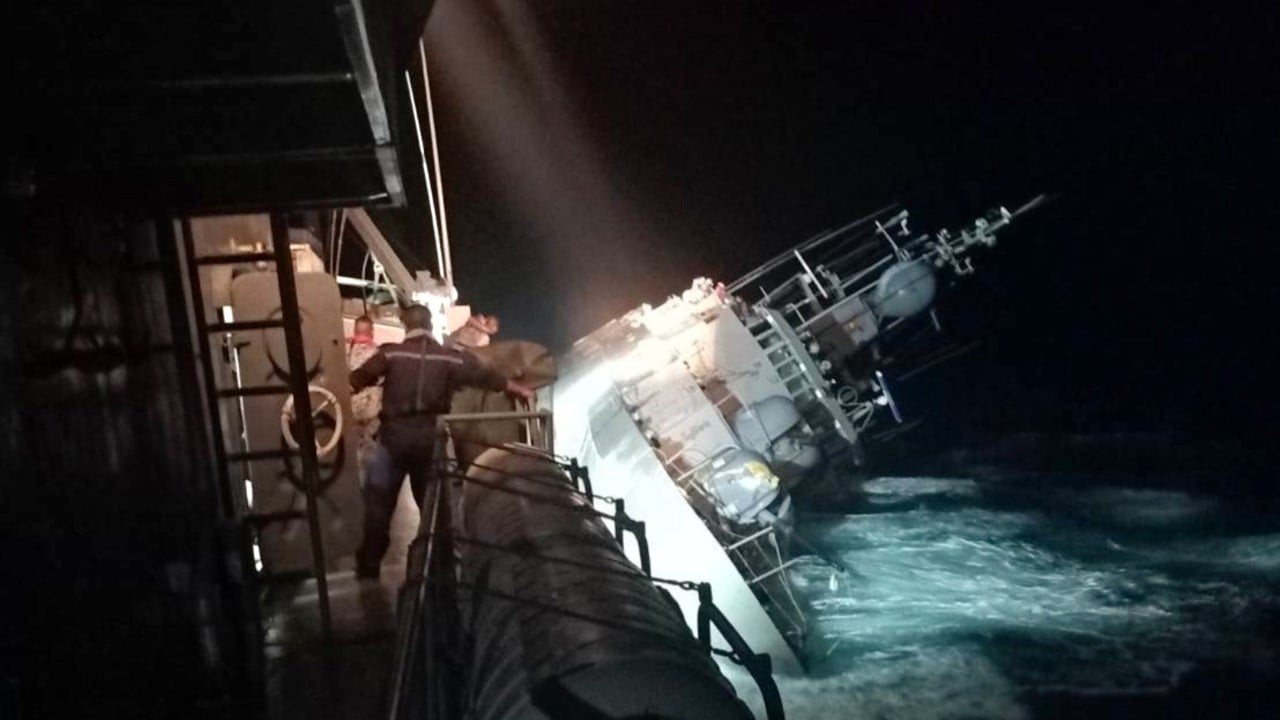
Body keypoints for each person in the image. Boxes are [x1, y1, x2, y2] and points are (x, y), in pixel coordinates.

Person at [350, 304, 534, 580]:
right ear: (431, 326)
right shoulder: (448, 358)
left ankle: (368, 566)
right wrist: (517, 388)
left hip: (390, 440)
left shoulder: (390, 352)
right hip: (428, 439)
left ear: (405, 325)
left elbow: (357, 379)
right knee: (434, 505)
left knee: (378, 502)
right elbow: (483, 376)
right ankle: (442, 564)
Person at [346, 315, 382, 489]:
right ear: (372, 332)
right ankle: (369, 487)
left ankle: (353, 486)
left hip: (351, 409)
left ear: (355, 330)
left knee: (354, 449)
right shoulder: (377, 354)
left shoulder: (347, 352)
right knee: (370, 449)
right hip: (372, 411)